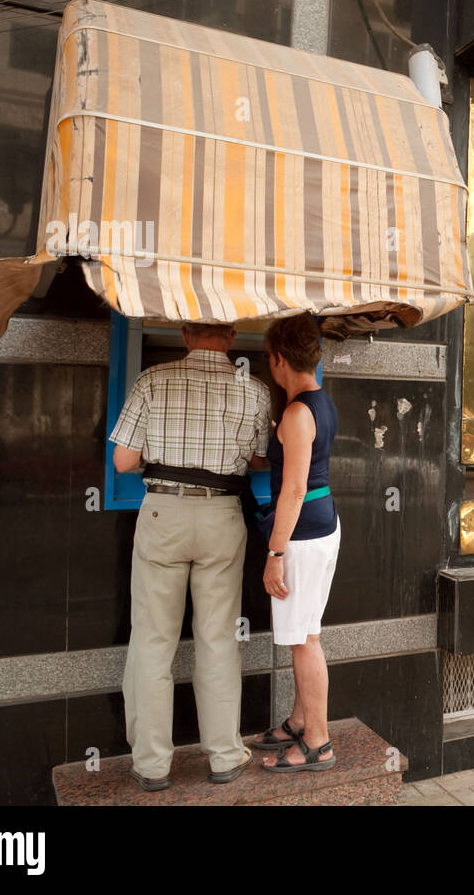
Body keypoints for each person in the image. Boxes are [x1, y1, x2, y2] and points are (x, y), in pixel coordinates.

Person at [109, 322, 271, 790]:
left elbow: (122, 460)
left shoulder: (152, 380)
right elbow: (260, 458)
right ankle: (223, 756)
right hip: (222, 517)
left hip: (164, 513)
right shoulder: (255, 390)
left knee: (153, 641)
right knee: (218, 639)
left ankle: (152, 765)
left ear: (184, 334)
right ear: (233, 334)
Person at [253, 312, 341, 772]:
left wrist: (275, 553)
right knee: (307, 630)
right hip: (323, 526)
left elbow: (293, 488)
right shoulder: (321, 402)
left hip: (301, 536)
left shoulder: (295, 412)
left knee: (304, 640)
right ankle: (298, 720)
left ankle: (318, 743)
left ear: (278, 360)